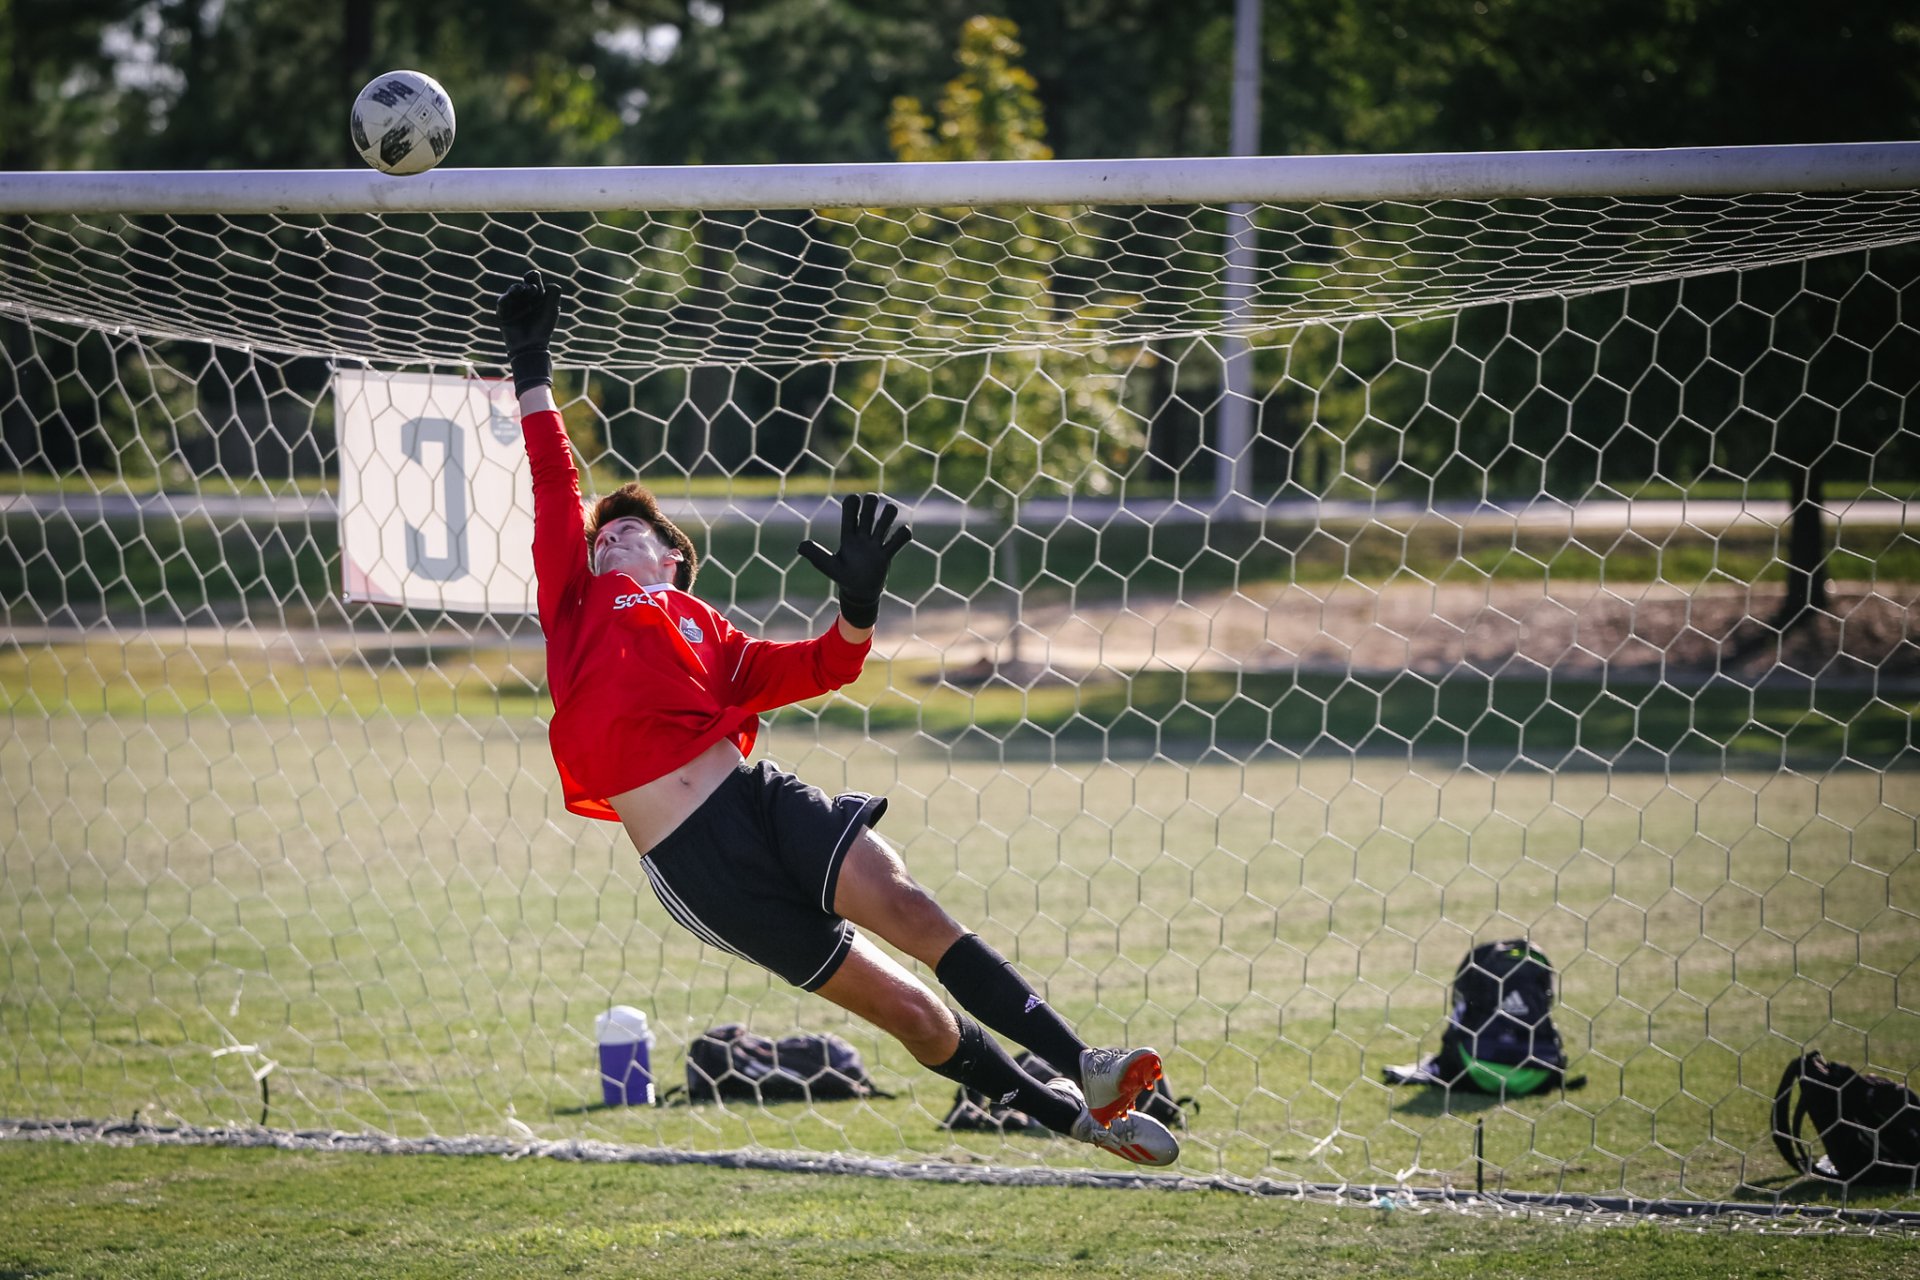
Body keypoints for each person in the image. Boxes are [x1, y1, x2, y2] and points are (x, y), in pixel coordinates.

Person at [495, 269, 1179, 1167]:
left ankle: (1081, 1059)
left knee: (908, 904)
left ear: (675, 558)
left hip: (761, 803)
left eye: (634, 531)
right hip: (697, 864)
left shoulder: (713, 639)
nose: (609, 535)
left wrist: (858, 604)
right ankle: (1069, 1117)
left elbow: (827, 662)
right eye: (602, 532)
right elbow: (554, 484)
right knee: (911, 1013)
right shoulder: (578, 603)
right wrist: (530, 364)